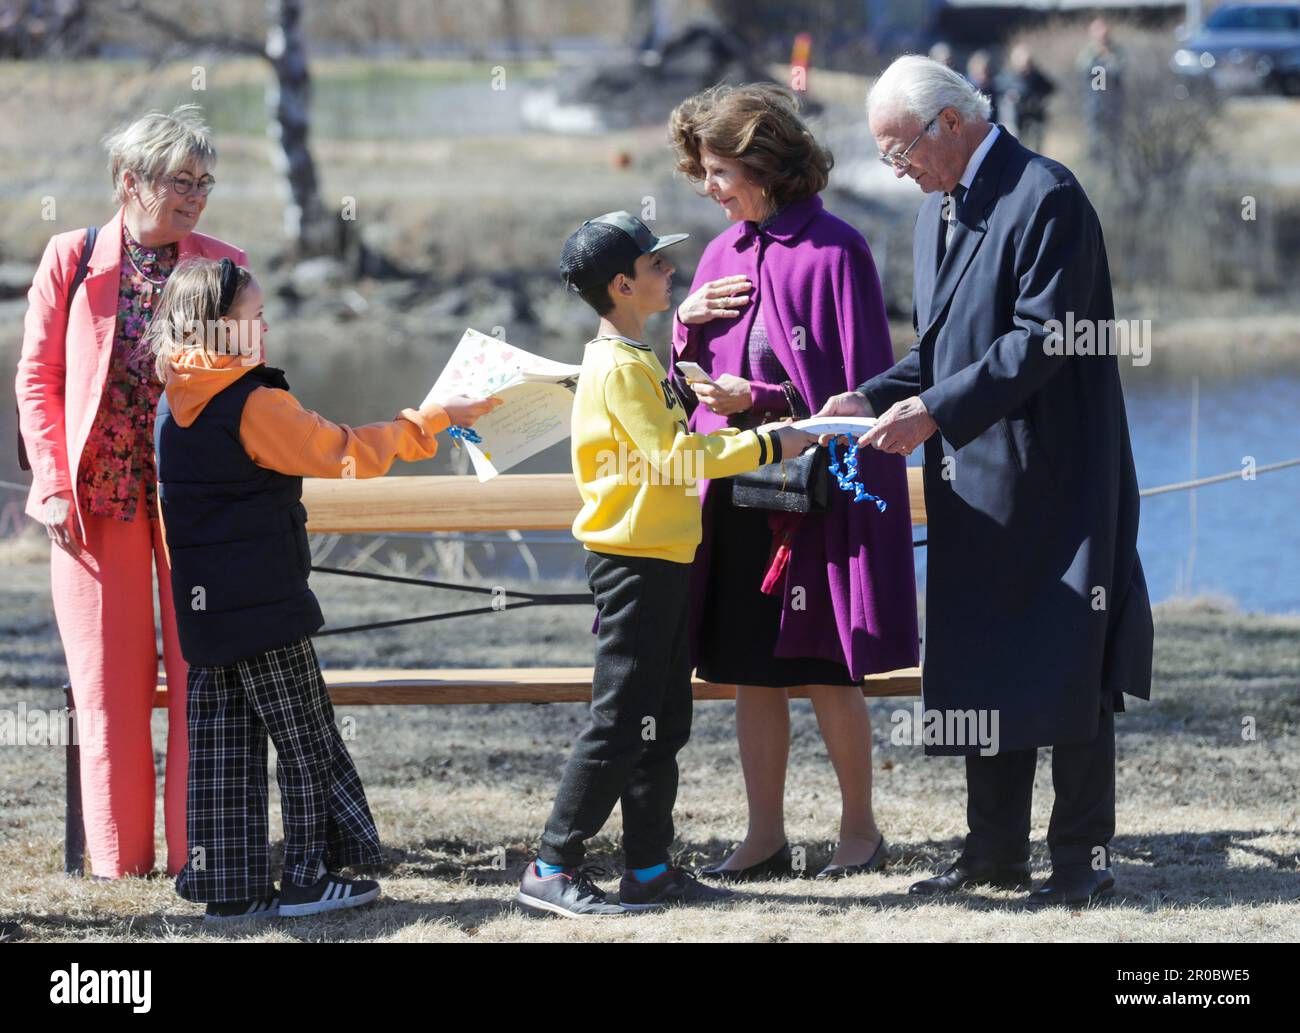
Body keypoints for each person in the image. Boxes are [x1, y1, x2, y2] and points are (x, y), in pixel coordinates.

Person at [818, 55, 1153, 907]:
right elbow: (943, 348)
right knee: (984, 663)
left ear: (951, 124)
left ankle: (1080, 860)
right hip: (973, 478)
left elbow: (1043, 339)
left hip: (1059, 473)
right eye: (889, 156)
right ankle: (993, 851)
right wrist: (875, 393)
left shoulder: (1048, 195)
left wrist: (931, 410)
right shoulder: (939, 209)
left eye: (901, 150)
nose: (899, 169)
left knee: (1071, 664)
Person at [148, 256, 499, 921]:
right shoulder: (251, 401)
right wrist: (428, 421)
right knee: (306, 739)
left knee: (223, 747)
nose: (266, 325)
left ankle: (229, 886)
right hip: (266, 606)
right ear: (219, 327)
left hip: (206, 610)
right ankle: (311, 876)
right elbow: (344, 450)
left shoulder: (173, 398)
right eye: (254, 316)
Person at [515, 211, 817, 917]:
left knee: (662, 720)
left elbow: (668, 445)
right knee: (620, 720)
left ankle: (649, 868)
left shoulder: (638, 361)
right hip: (634, 563)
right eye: (655, 266)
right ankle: (550, 864)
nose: (670, 274)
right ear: (621, 285)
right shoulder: (620, 368)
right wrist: (774, 443)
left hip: (663, 558)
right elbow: (679, 461)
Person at [666, 83, 918, 881]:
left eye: (719, 171)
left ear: (763, 163)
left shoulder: (838, 249)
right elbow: (683, 384)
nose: (710, 189)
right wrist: (685, 327)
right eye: (702, 173)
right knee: (749, 668)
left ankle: (860, 833)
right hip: (735, 500)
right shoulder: (716, 255)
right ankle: (764, 836)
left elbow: (859, 395)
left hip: (815, 503)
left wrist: (763, 399)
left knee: (824, 668)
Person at [15, 105, 244, 879]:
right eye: (181, 181)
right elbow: (38, 378)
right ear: (130, 181)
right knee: (107, 688)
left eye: (204, 182)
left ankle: (199, 857)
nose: (196, 197)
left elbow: (248, 390)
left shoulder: (226, 267)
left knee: (199, 681)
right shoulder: (70, 257)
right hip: (94, 497)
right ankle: (120, 865)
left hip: (197, 505)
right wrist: (49, 486)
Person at [997, 44, 1056, 153]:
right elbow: (999, 89)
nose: (1026, 67)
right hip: (1016, 118)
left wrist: (1039, 99)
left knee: (1036, 148)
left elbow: (1051, 88)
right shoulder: (1009, 77)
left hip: (1035, 117)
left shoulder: (1037, 76)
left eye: (1028, 63)